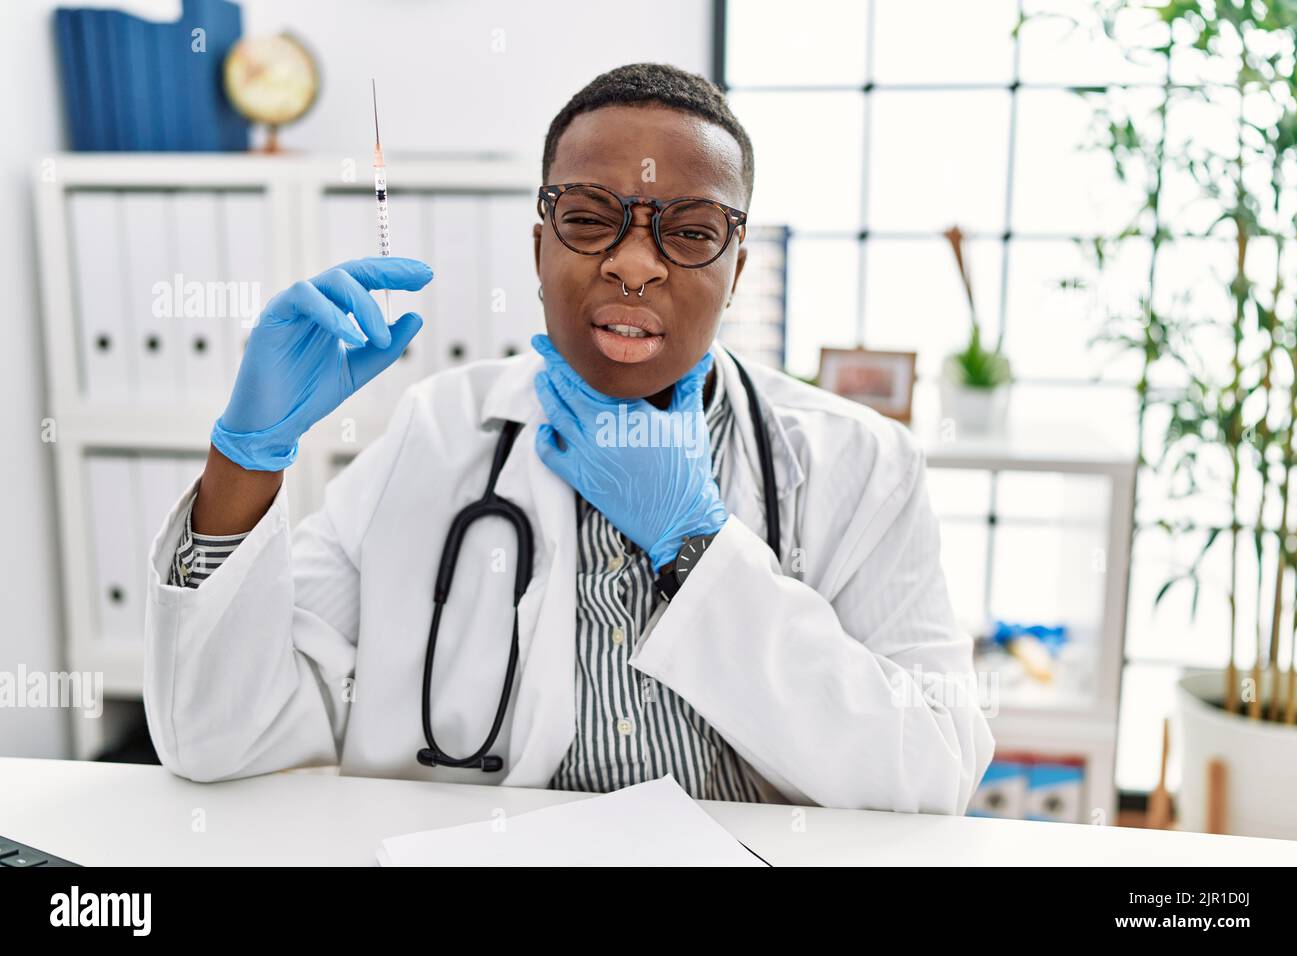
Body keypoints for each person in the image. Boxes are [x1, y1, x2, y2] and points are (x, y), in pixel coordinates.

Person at [143, 63, 994, 813]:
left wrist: (695, 544)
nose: (634, 262)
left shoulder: (860, 464)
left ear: (737, 269)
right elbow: (218, 741)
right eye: (590, 219)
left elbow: (930, 775)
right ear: (540, 246)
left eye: (691, 230)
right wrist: (244, 460)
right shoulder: (437, 432)